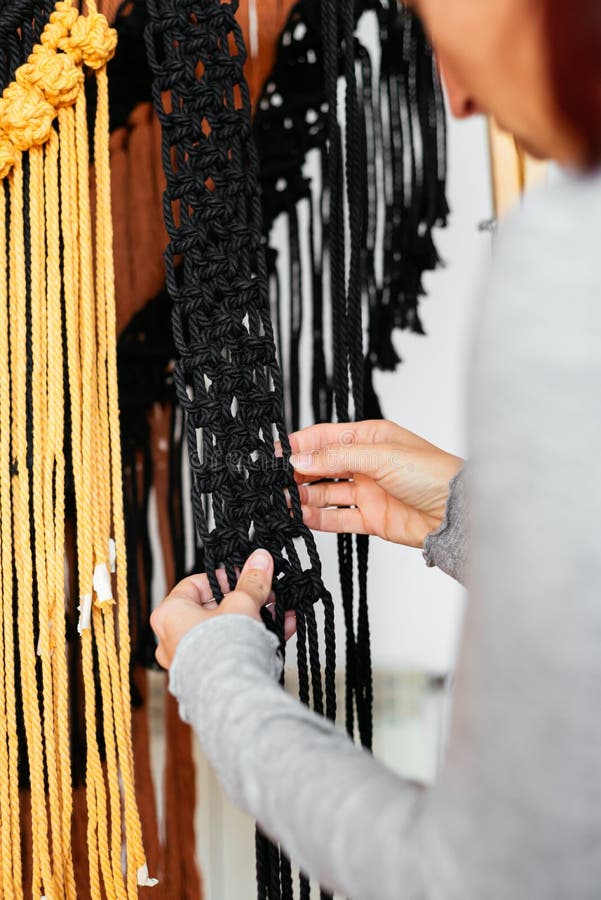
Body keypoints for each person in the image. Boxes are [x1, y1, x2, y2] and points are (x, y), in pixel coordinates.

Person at [150, 1, 601, 897]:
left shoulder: (570, 261)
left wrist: (216, 677)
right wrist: (469, 517)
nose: (458, 99)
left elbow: (474, 880)